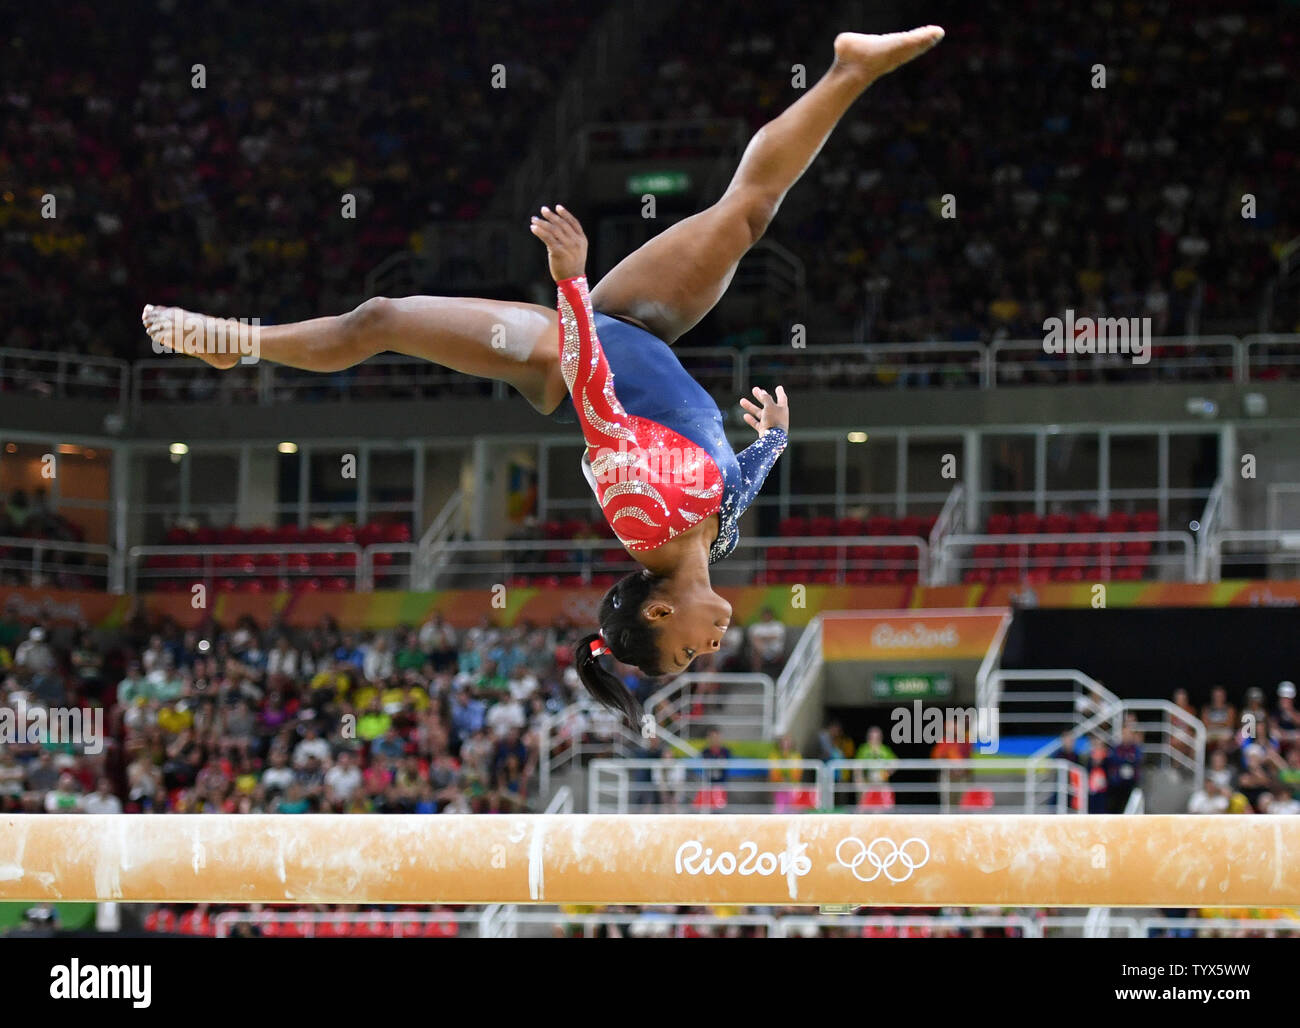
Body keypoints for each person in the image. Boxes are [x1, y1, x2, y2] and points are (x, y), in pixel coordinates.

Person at [142, 26, 946, 721]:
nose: (709, 649)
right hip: (637, 327)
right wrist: (773, 441)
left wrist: (570, 284)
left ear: (661, 610)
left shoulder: (645, 519)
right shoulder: (713, 536)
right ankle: (851, 67)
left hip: (569, 352)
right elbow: (737, 483)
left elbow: (597, 398)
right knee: (747, 214)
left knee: (381, 317)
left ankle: (238, 340)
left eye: (685, 652)